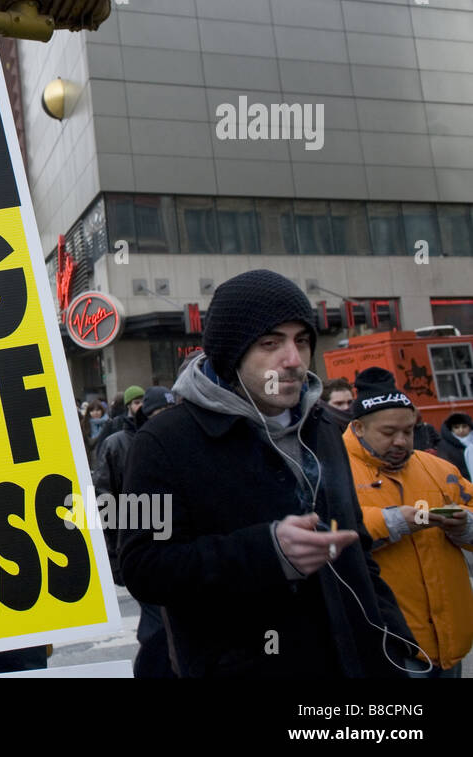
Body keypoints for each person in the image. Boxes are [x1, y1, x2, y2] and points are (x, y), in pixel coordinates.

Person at [118, 269, 414, 677]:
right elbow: (142, 566)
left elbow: (357, 550)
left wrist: (396, 642)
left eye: (303, 341)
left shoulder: (326, 427)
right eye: (270, 343)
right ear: (231, 353)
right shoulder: (161, 441)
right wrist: (267, 552)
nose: (293, 360)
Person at [343, 368, 473, 677]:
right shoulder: (333, 469)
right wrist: (392, 522)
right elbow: (330, 529)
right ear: (359, 428)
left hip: (450, 643)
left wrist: (465, 525)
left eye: (409, 431)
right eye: (389, 433)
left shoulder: (439, 469)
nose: (402, 441)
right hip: (390, 646)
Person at [91, 386, 178, 678]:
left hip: (178, 551)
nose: (163, 421)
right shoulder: (119, 444)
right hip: (142, 552)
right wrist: (115, 555)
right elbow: (104, 500)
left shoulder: (180, 443)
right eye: (155, 414)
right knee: (157, 629)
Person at [91, 385, 145, 458]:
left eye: (143, 402)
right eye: (137, 402)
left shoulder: (149, 423)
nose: (141, 405)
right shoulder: (114, 424)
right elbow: (101, 453)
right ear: (128, 405)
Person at [436, 412, 473, 481]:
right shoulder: (445, 446)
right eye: (456, 427)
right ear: (451, 429)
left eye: (464, 426)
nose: (461, 430)